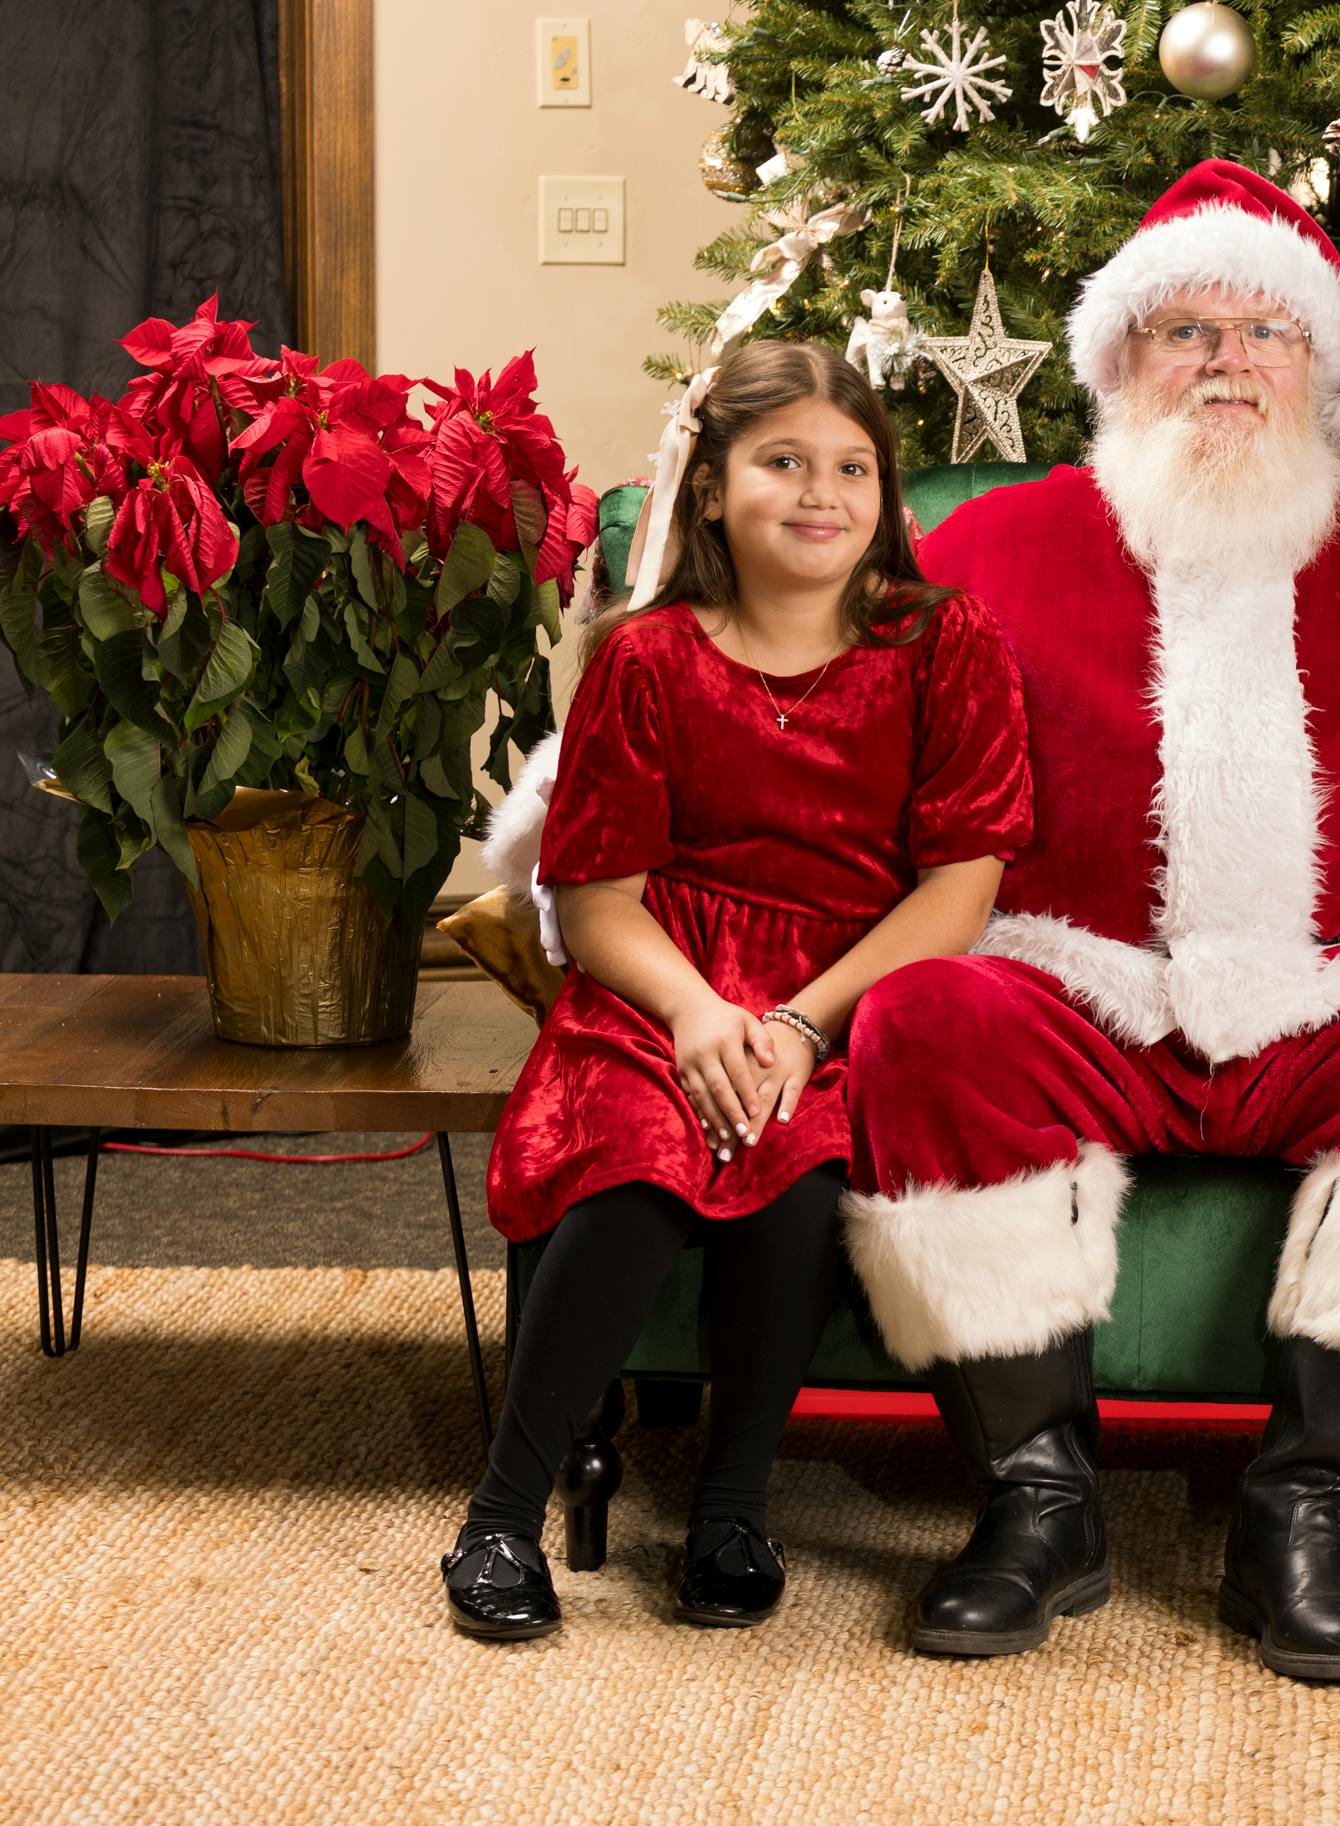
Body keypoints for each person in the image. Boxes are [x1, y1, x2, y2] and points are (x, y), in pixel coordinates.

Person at [839, 161, 1340, 1684]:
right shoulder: (989, 547)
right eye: (1185, 329)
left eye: (1266, 332)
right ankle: (1037, 1500)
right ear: (1119, 360)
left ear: (1324, 369)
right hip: (1076, 993)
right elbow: (839, 743)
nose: (1227, 362)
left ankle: (1305, 1508)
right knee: (924, 1017)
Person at [449, 339, 1032, 1640]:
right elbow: (597, 901)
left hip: (851, 984)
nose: (821, 492)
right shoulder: (646, 657)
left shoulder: (942, 641)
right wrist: (698, 1010)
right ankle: (501, 1512)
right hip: (663, 977)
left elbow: (960, 886)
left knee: (796, 1162)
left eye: (852, 467)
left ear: (885, 494)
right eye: (783, 462)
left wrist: (802, 1023)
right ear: (711, 488)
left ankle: (730, 1507)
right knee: (638, 1159)